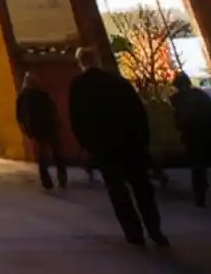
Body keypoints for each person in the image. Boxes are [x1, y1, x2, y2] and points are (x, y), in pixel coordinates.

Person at [68, 47, 169, 247]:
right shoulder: (118, 82)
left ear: (81, 63)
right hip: (130, 143)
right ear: (97, 60)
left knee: (117, 190)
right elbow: (138, 112)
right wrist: (143, 141)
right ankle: (155, 230)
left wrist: (87, 146)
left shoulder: (79, 86)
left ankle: (133, 233)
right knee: (142, 189)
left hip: (104, 147)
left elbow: (77, 119)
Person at [169, 71, 211, 208]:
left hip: (195, 136)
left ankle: (200, 198)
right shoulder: (200, 94)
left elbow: (179, 120)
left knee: (198, 167)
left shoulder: (176, 99)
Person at [15, 71, 67, 190]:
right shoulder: (40, 94)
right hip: (47, 126)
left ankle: (47, 179)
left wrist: (27, 129)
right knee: (56, 152)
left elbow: (20, 115)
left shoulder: (24, 96)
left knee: (45, 154)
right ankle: (60, 177)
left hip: (39, 128)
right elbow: (51, 108)